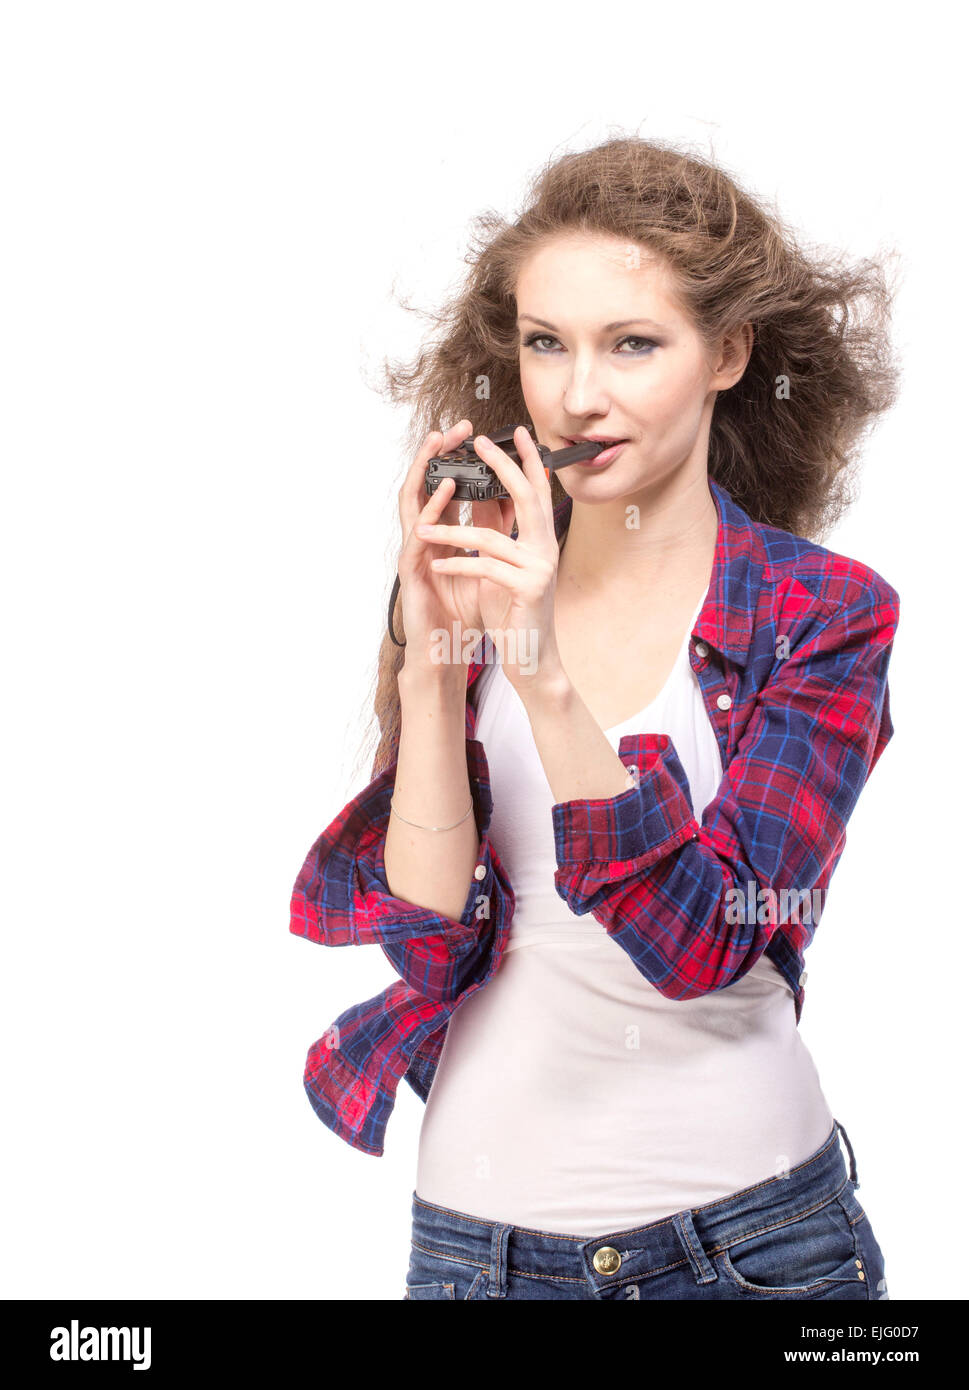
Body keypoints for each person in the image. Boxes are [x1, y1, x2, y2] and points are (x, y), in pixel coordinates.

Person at [289, 136, 901, 1300]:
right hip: (476, 1257)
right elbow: (430, 940)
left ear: (728, 355)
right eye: (544, 344)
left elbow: (704, 944)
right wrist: (433, 661)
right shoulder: (483, 580)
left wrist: (542, 672)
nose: (578, 393)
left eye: (633, 344)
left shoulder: (824, 615)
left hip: (752, 1253)